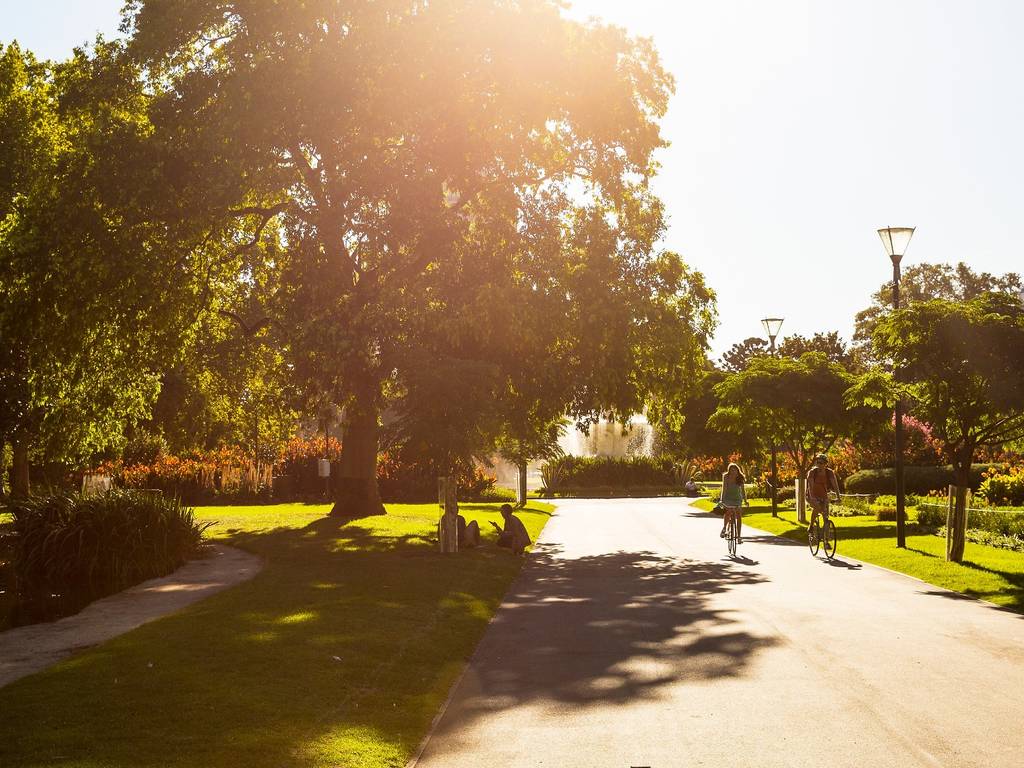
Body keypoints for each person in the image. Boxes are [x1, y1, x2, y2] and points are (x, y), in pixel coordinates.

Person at [806, 453, 841, 532]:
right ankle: (811, 525)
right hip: (811, 495)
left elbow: (835, 485)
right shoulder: (812, 472)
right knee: (817, 507)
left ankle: (826, 540)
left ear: (825, 464)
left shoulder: (829, 473)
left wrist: (838, 497)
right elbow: (810, 487)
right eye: (817, 462)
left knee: (825, 515)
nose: (818, 465)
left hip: (823, 494)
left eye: (821, 463)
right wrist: (812, 498)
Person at [719, 462, 748, 541]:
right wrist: (721, 499)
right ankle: (725, 528)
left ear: (737, 470)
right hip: (727, 498)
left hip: (737, 499)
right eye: (731, 470)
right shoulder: (726, 476)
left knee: (739, 515)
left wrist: (745, 500)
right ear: (729, 471)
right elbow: (724, 488)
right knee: (728, 512)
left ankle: (739, 536)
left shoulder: (740, 477)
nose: (733, 472)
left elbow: (743, 490)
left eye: (734, 470)